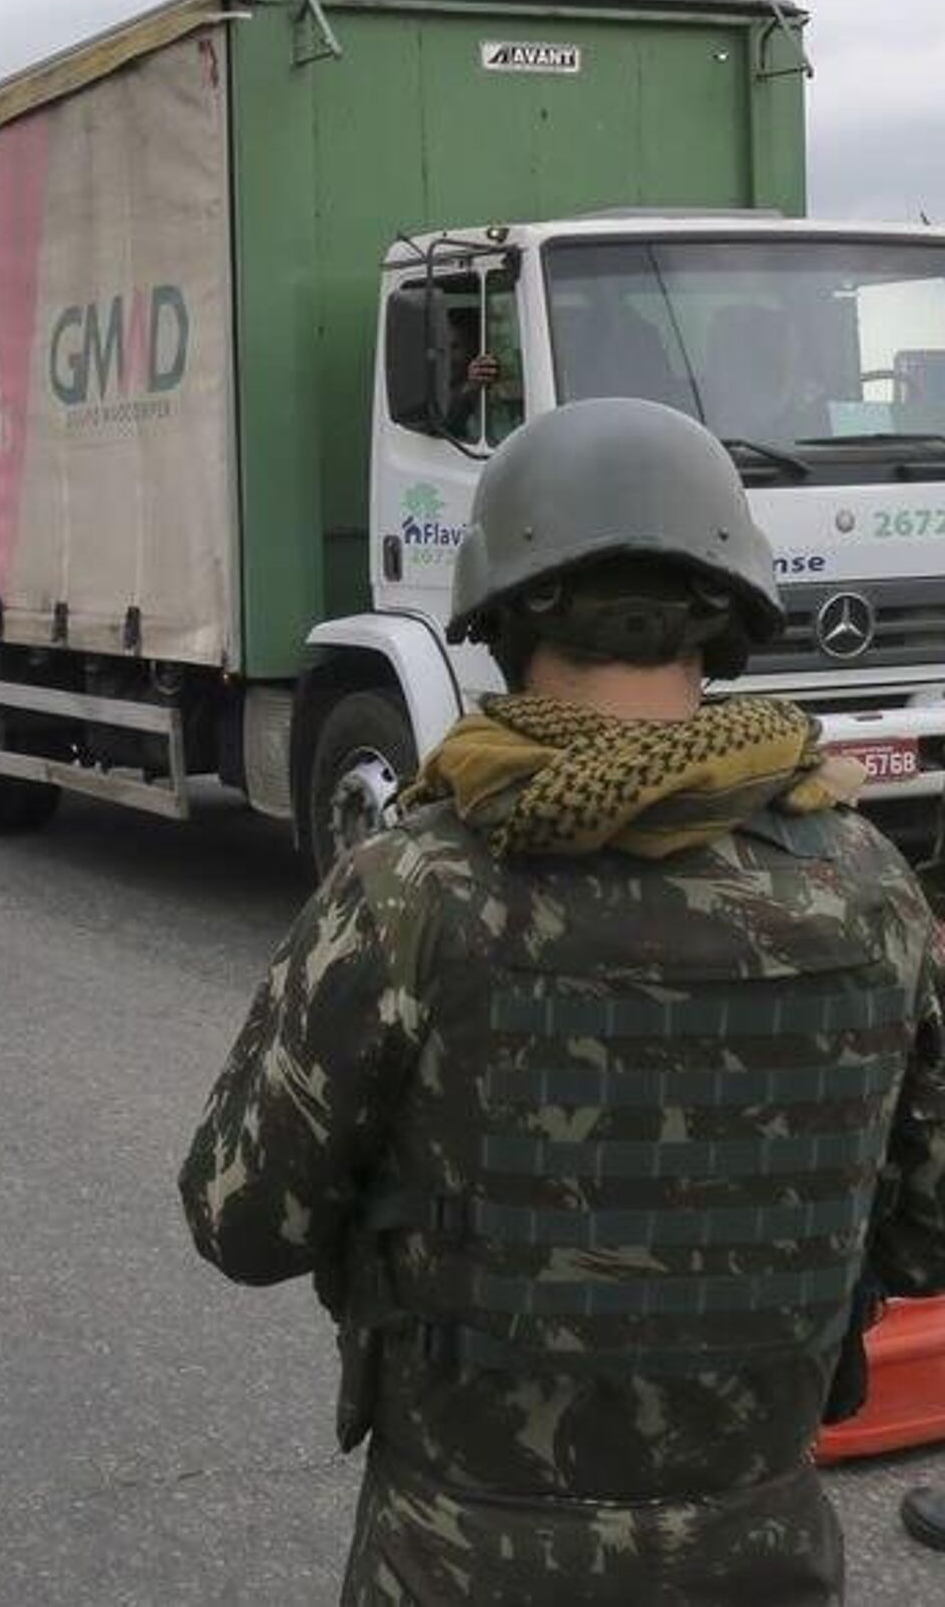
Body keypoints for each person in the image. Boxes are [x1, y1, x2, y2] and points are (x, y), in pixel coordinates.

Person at [179, 396, 945, 1603]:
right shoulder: (869, 886)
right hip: (762, 1554)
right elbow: (928, 1225)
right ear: (728, 620)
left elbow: (241, 1219)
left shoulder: (413, 887)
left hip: (461, 1556)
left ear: (499, 616)